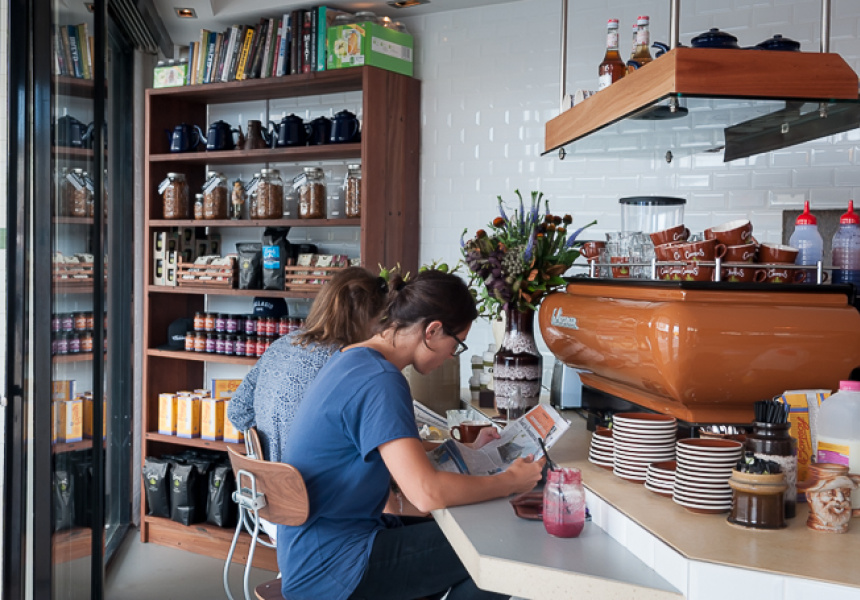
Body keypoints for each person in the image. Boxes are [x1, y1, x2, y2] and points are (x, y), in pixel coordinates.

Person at [277, 270, 545, 600]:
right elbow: (425, 493)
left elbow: (392, 445)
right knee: (501, 548)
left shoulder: (351, 359)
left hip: (314, 554)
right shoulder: (381, 379)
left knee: (471, 540)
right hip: (336, 566)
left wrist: (464, 447)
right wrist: (510, 482)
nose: (451, 355)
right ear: (432, 330)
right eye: (456, 344)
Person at [227, 266, 388, 463]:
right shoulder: (346, 360)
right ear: (367, 319)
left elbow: (238, 411)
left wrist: (272, 446)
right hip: (316, 486)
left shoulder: (283, 343)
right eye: (379, 323)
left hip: (270, 486)